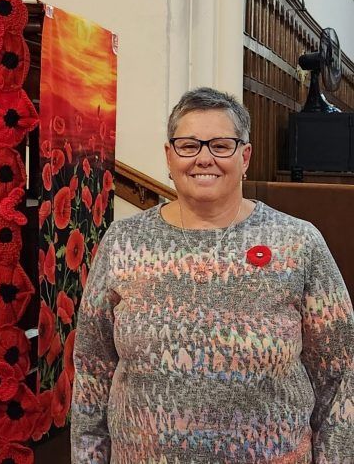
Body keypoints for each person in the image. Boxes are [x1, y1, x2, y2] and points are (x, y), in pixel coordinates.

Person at [71, 87, 353, 463]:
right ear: (169, 157)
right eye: (189, 145)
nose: (204, 158)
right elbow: (92, 371)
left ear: (245, 156)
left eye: (221, 145)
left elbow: (340, 376)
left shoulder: (298, 243)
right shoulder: (124, 243)